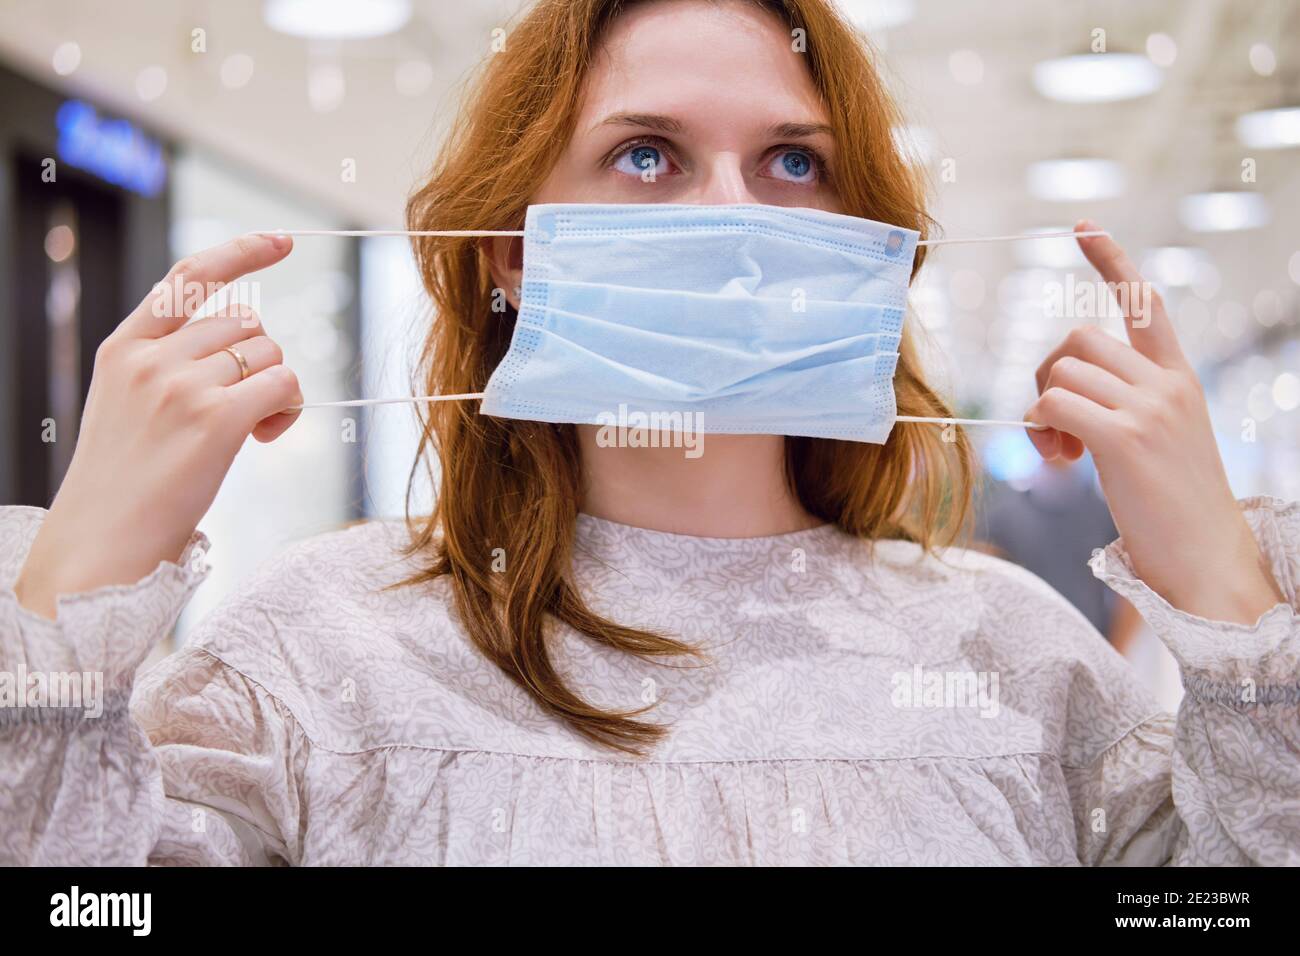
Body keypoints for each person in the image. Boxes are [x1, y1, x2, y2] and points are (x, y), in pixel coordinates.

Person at [2, 0, 1296, 866]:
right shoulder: (323, 649)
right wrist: (75, 596)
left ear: (868, 239)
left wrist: (1229, 602)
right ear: (513, 249)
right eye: (647, 156)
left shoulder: (1011, 651)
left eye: (796, 163)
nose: (737, 219)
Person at [977, 456, 1143, 654]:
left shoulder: (1105, 515)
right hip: (1025, 647)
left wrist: (1117, 654)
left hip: (1090, 645)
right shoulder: (1005, 517)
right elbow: (982, 583)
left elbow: (1133, 587)